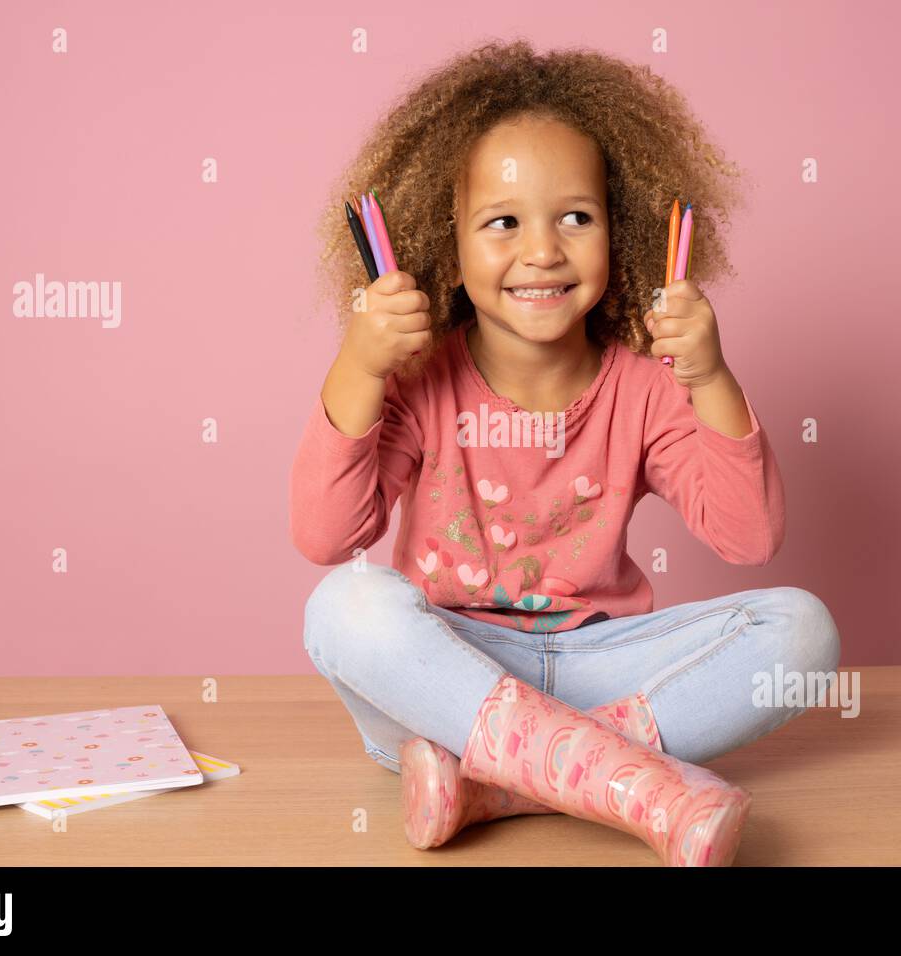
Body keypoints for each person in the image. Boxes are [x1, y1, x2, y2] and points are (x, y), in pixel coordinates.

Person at [292, 40, 840, 866]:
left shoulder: (644, 386)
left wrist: (714, 378)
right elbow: (324, 536)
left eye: (575, 217)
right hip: (448, 671)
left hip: (598, 666)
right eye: (503, 221)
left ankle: (502, 782)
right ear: (450, 240)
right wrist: (358, 366)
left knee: (804, 631)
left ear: (621, 231)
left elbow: (749, 538)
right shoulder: (418, 379)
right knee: (344, 608)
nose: (543, 250)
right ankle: (637, 783)